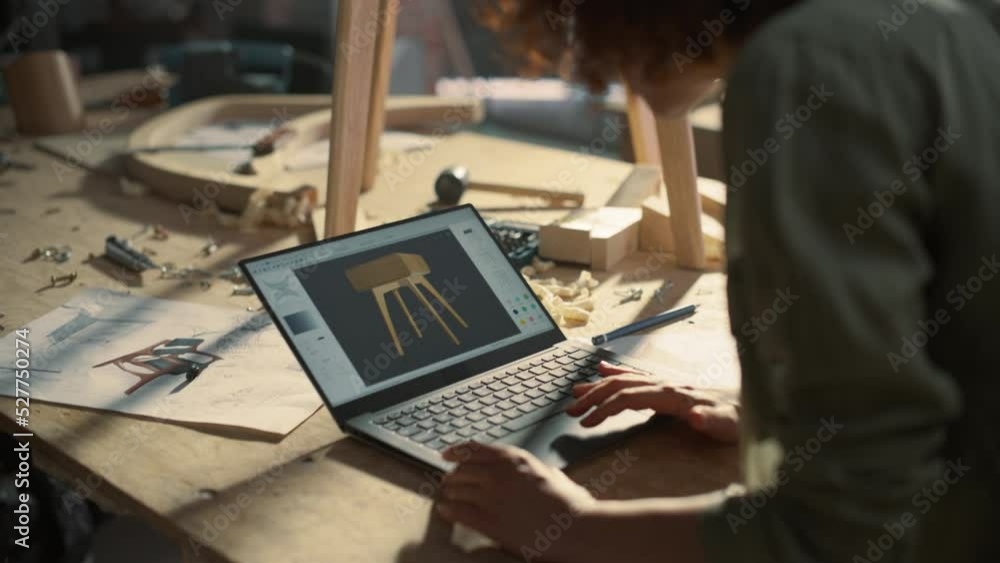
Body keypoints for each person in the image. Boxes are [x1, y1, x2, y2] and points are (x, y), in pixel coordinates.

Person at [436, 1, 1000, 562]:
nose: (586, 52)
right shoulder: (928, 22)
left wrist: (569, 527)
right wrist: (766, 409)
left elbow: (851, 531)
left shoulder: (807, 65)